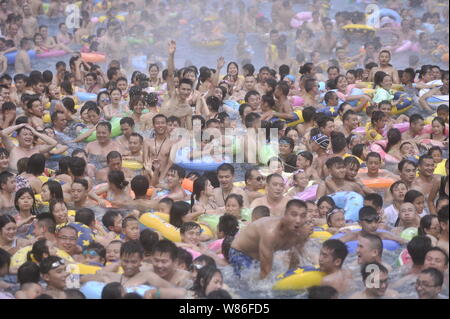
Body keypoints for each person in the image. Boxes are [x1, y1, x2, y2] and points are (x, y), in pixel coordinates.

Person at [229, 199, 310, 279]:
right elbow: (265, 273)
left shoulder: (303, 233)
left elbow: (296, 258)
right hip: (240, 252)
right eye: (294, 214)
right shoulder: (270, 233)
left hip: (260, 255)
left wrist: (289, 277)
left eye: (303, 216)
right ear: (285, 214)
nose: (298, 220)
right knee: (248, 284)